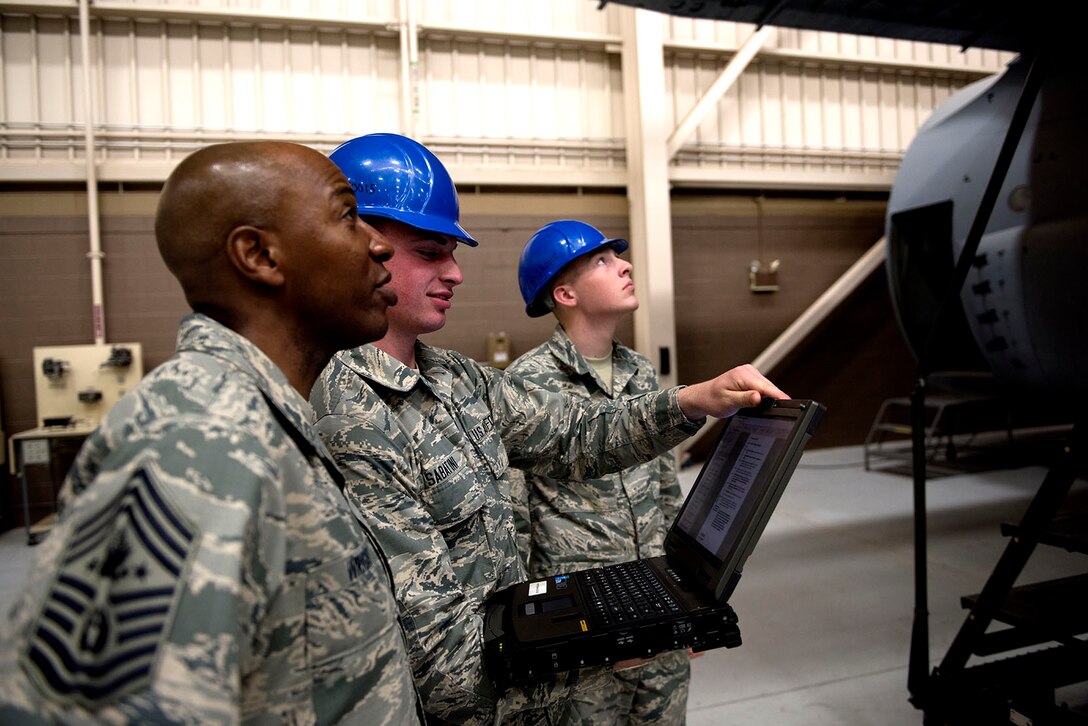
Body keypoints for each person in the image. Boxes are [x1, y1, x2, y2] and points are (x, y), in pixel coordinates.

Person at [310, 132, 786, 725]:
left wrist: (694, 401)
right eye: (432, 252)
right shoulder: (344, 407)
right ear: (359, 246)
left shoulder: (457, 378)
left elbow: (574, 436)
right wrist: (599, 657)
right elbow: (435, 655)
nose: (456, 273)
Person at [0, 141, 422, 724]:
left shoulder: (263, 421)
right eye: (348, 216)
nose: (378, 244)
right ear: (259, 255)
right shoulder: (197, 438)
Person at [509, 219, 693, 722]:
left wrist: (688, 593)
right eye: (602, 261)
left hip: (655, 599)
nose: (626, 265)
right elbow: (515, 516)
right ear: (564, 293)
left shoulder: (639, 371)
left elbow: (664, 484)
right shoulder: (527, 383)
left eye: (618, 257)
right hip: (583, 620)